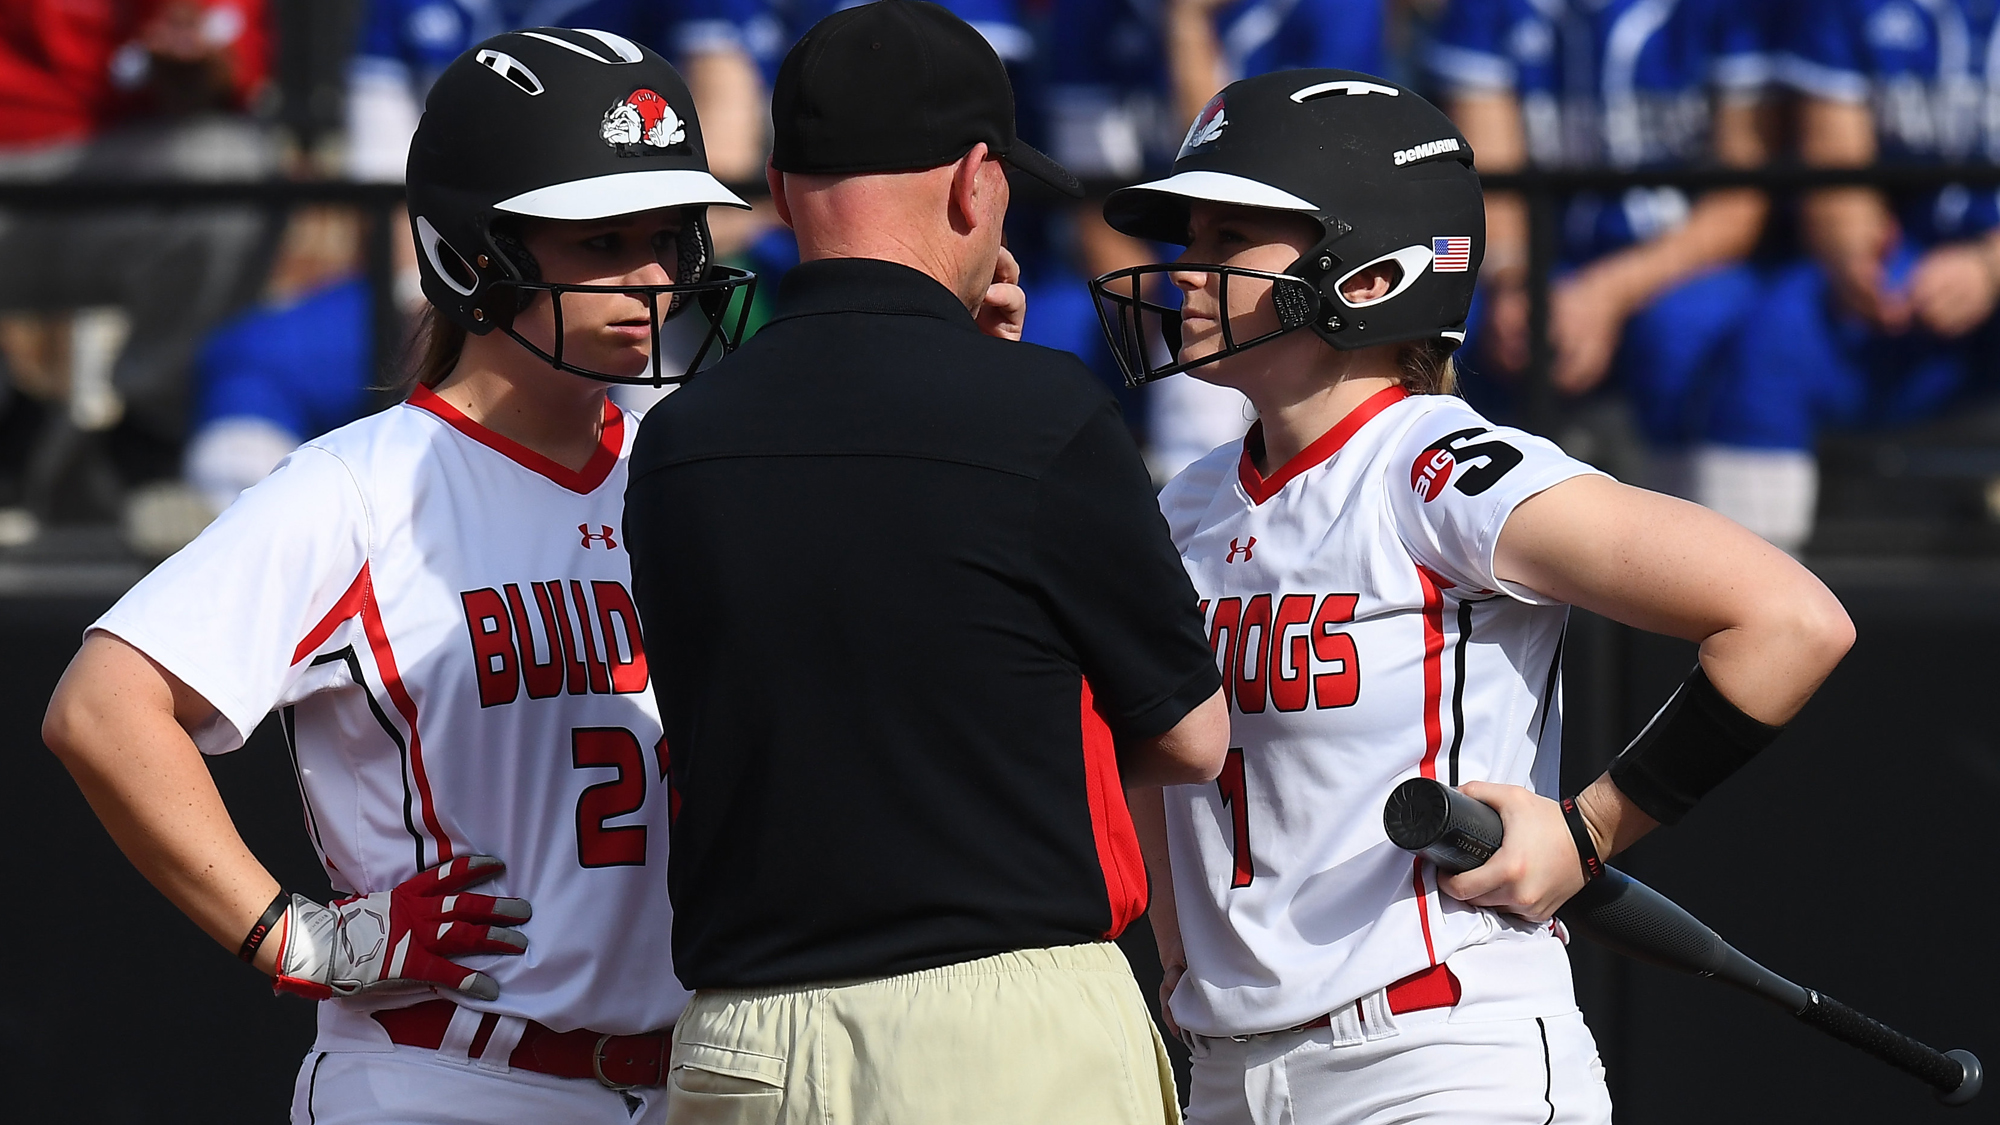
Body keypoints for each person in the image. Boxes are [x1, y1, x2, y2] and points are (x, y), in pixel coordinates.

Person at [1089, 69, 1854, 1123]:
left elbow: (1786, 618)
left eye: (1229, 240)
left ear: (1364, 274)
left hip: (1434, 1059)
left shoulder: (1434, 464)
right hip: (1226, 1071)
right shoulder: (1182, 505)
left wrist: (1584, 835)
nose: (1183, 275)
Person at [41, 28, 753, 1123]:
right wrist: (296, 934)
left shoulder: (688, 473)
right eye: (602, 239)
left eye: (668, 237)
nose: (652, 279)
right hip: (443, 1078)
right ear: (475, 252)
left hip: (687, 1083)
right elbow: (100, 707)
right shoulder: (360, 487)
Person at [620, 4, 1229, 1122]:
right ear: (974, 183)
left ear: (781, 190)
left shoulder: (673, 439)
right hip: (1002, 1034)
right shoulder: (1044, 414)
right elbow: (1191, 737)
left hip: (741, 1040)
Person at [1428, 0, 1779, 493]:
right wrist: (1514, 279)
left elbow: (1738, 210)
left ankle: (1689, 549)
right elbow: (1486, 182)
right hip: (1536, 263)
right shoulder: (1490, 10)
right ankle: (1455, 541)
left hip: (1676, 265)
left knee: (1691, 328)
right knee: (1448, 315)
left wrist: (1607, 294)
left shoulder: (1722, 12)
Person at [1046, 0, 1387, 480]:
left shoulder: (1336, 10)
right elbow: (1093, 203)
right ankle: (1184, 485)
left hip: (1302, 249)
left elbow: (1232, 173)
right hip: (1160, 254)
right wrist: (1149, 297)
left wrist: (1187, 27)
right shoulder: (1088, 15)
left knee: (1227, 291)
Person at [1718, 0, 2000, 551]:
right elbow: (1836, 161)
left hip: (1986, 261)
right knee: (1777, 340)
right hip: (1911, 262)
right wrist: (1854, 254)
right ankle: (1756, 607)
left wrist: (1990, 268)